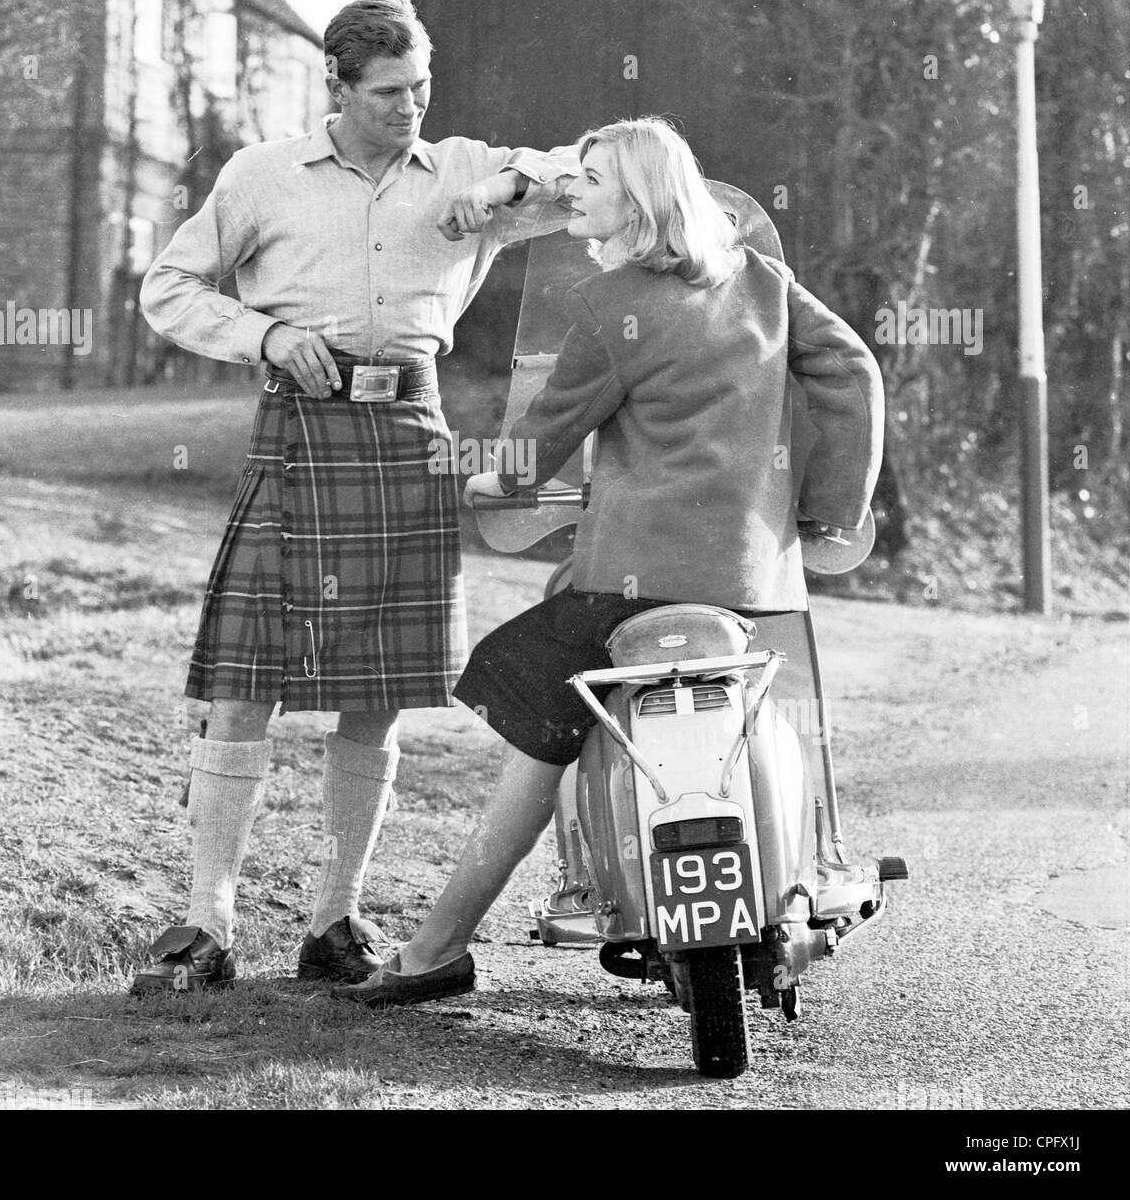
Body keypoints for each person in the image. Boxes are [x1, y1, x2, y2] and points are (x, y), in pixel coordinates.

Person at [333, 116, 884, 1008]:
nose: (572, 195)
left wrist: (489, 484)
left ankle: (436, 949)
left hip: (628, 583)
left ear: (633, 199)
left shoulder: (609, 305)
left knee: (534, 744)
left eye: (588, 182)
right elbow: (854, 372)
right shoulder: (764, 283)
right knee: (778, 716)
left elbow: (551, 428)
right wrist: (831, 507)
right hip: (751, 585)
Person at [129, 0, 578, 993]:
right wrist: (265, 335)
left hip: (407, 436)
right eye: (387, 94)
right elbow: (168, 286)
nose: (410, 107)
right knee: (246, 684)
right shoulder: (261, 176)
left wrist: (510, 181)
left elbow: (587, 181)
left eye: (422, 86)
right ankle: (208, 925)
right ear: (335, 85)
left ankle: (336, 921)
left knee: (379, 694)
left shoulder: (463, 168)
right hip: (297, 427)